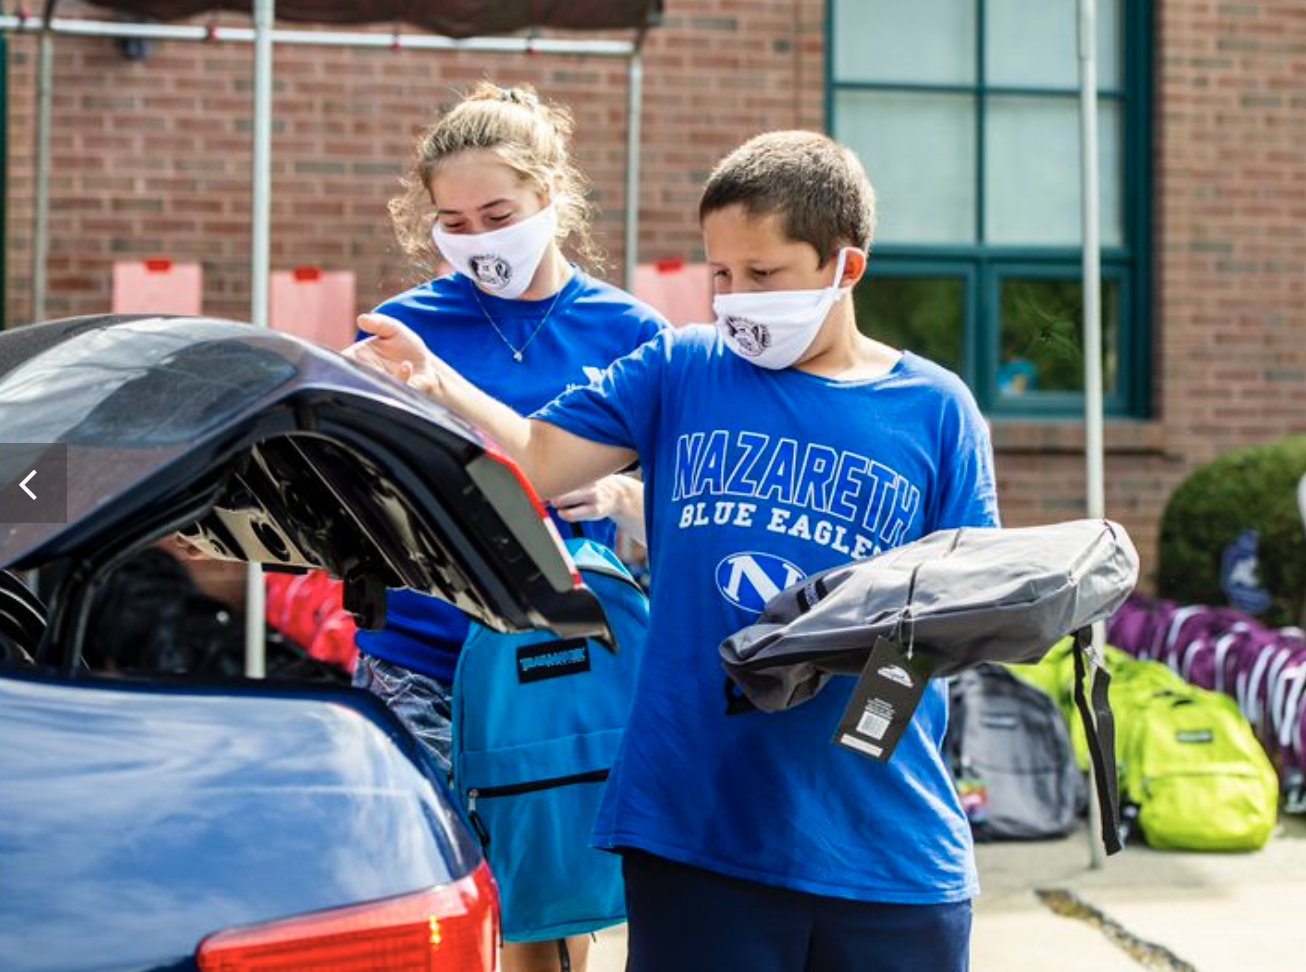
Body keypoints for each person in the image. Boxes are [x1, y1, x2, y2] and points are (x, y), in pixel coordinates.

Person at [348, 130, 998, 972]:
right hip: (695, 836)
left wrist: (867, 735)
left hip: (885, 848)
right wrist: (438, 381)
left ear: (846, 267)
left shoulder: (938, 409)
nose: (737, 300)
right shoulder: (681, 366)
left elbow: (957, 612)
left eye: (763, 274)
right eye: (720, 274)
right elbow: (536, 461)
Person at [354, 80, 666, 972]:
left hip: (558, 662)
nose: (479, 240)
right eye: (454, 222)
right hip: (419, 653)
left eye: (498, 215)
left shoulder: (630, 332)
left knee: (544, 912)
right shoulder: (404, 328)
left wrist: (621, 498)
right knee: (423, 912)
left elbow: (686, 510)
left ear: (551, 194)